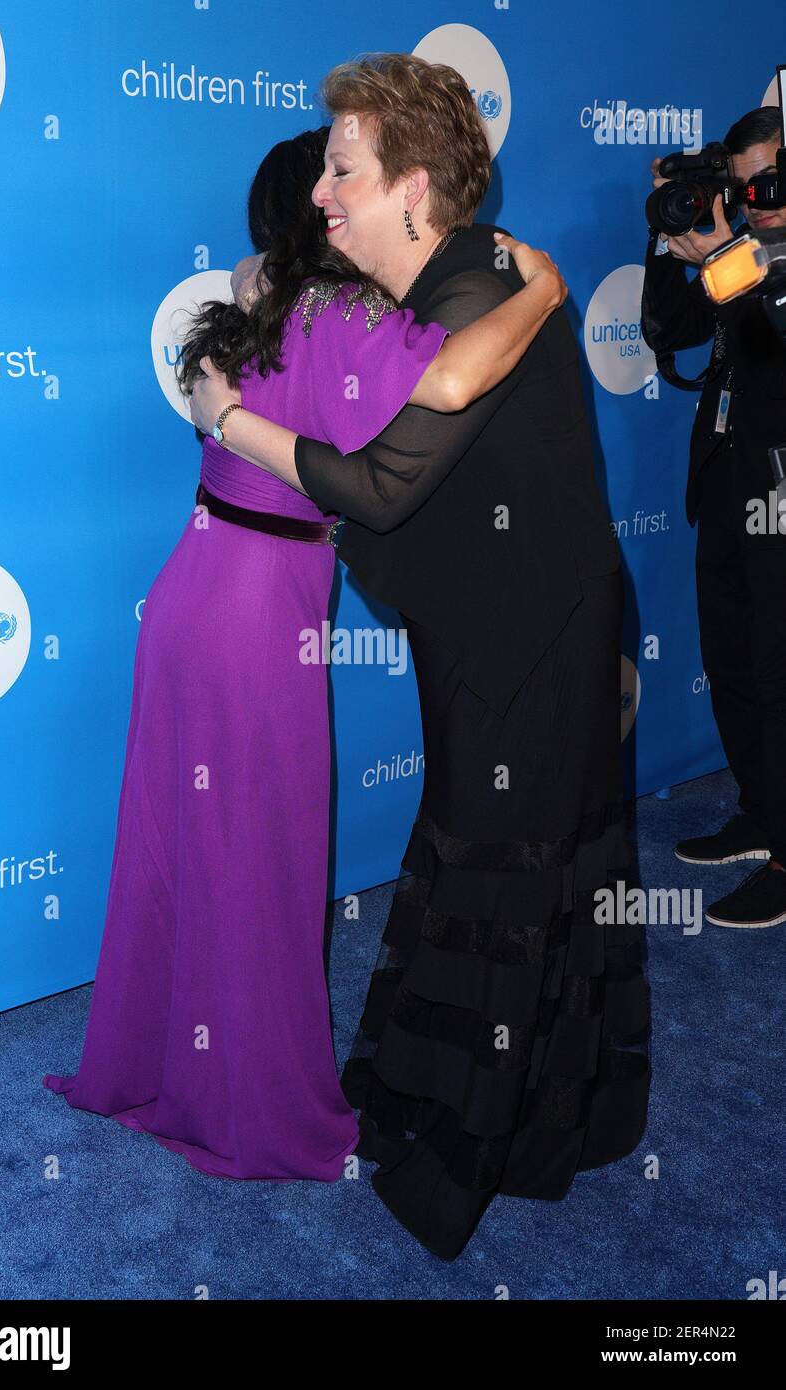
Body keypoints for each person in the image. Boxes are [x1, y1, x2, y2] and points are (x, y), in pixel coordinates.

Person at [192, 54, 651, 1258]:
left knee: (509, 867)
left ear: (415, 186)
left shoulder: (483, 275)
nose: (321, 196)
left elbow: (382, 489)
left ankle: (478, 1142)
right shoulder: (462, 282)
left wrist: (230, 419)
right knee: (505, 858)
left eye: (342, 172)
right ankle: (552, 1113)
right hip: (492, 622)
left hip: (535, 634)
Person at [42, 127, 565, 1183]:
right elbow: (460, 379)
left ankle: (150, 1066)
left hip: (189, 593)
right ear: (324, 210)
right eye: (338, 183)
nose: (350, 196)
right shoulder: (351, 315)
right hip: (256, 620)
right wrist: (542, 287)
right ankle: (253, 1110)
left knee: (178, 843)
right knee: (262, 861)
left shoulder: (254, 289)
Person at [642, 106, 786, 929]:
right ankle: (763, 812)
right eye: (740, 188)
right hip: (728, 477)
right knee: (730, 656)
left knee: (776, 669)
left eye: (768, 183)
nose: (755, 202)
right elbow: (670, 329)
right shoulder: (733, 247)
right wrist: (669, 236)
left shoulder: (758, 260)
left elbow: (769, 353)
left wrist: (732, 260)